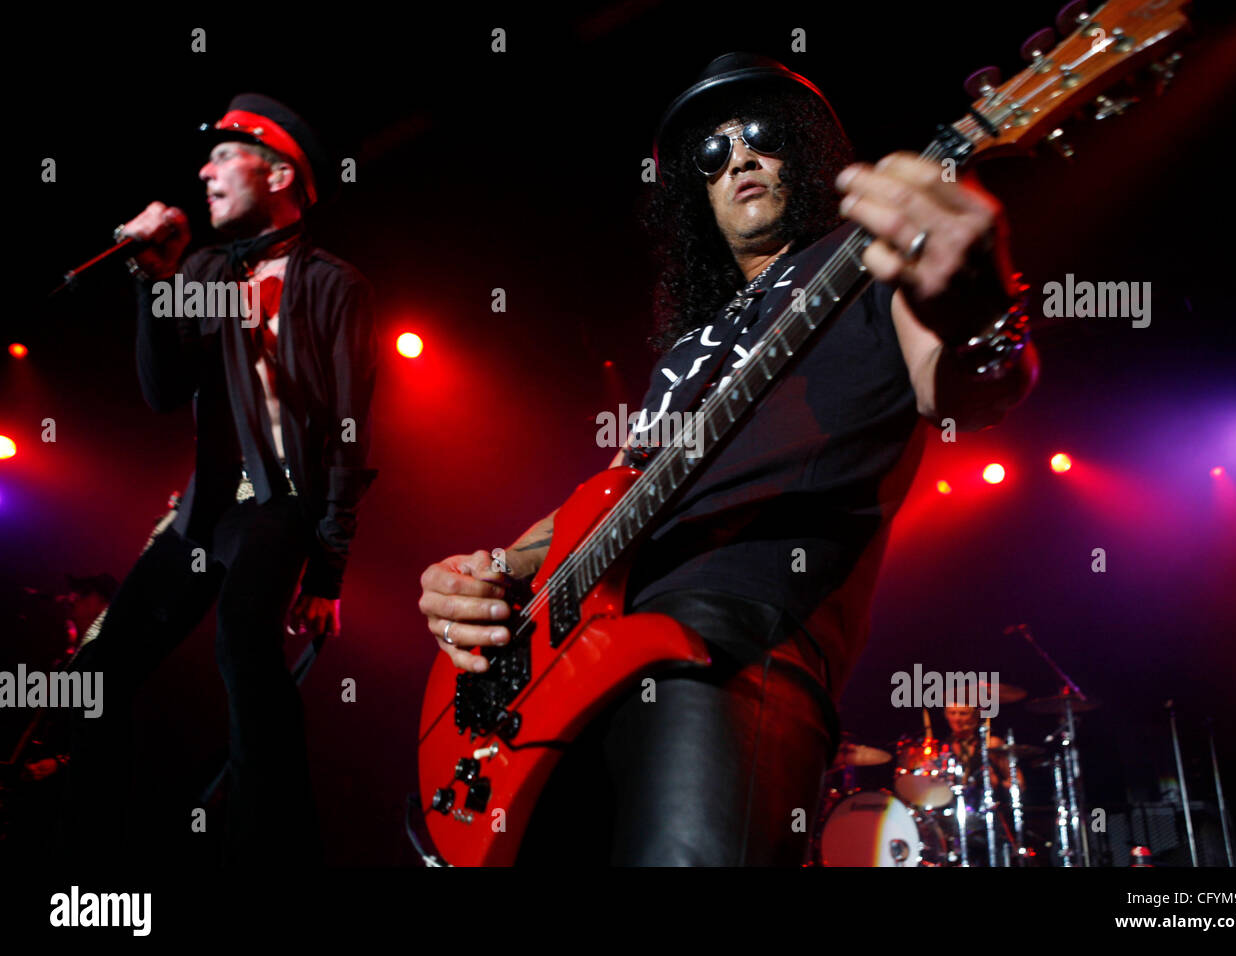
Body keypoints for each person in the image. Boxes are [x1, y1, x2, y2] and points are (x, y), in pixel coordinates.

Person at [418, 53, 1037, 865]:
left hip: (735, 647)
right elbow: (607, 495)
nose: (738, 158)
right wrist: (488, 573)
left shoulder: (871, 266)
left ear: (805, 156)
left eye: (762, 137)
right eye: (712, 155)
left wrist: (984, 318)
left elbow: (959, 392)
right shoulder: (684, 349)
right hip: (579, 672)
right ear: (695, 196)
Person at [63, 94, 378, 865]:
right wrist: (152, 281)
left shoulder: (334, 287)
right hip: (209, 509)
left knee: (243, 644)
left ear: (276, 171)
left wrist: (329, 568)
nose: (202, 171)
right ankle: (94, 866)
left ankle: (273, 851)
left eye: (223, 155)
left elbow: (348, 436)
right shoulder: (201, 269)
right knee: (96, 673)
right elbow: (164, 392)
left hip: (281, 506)